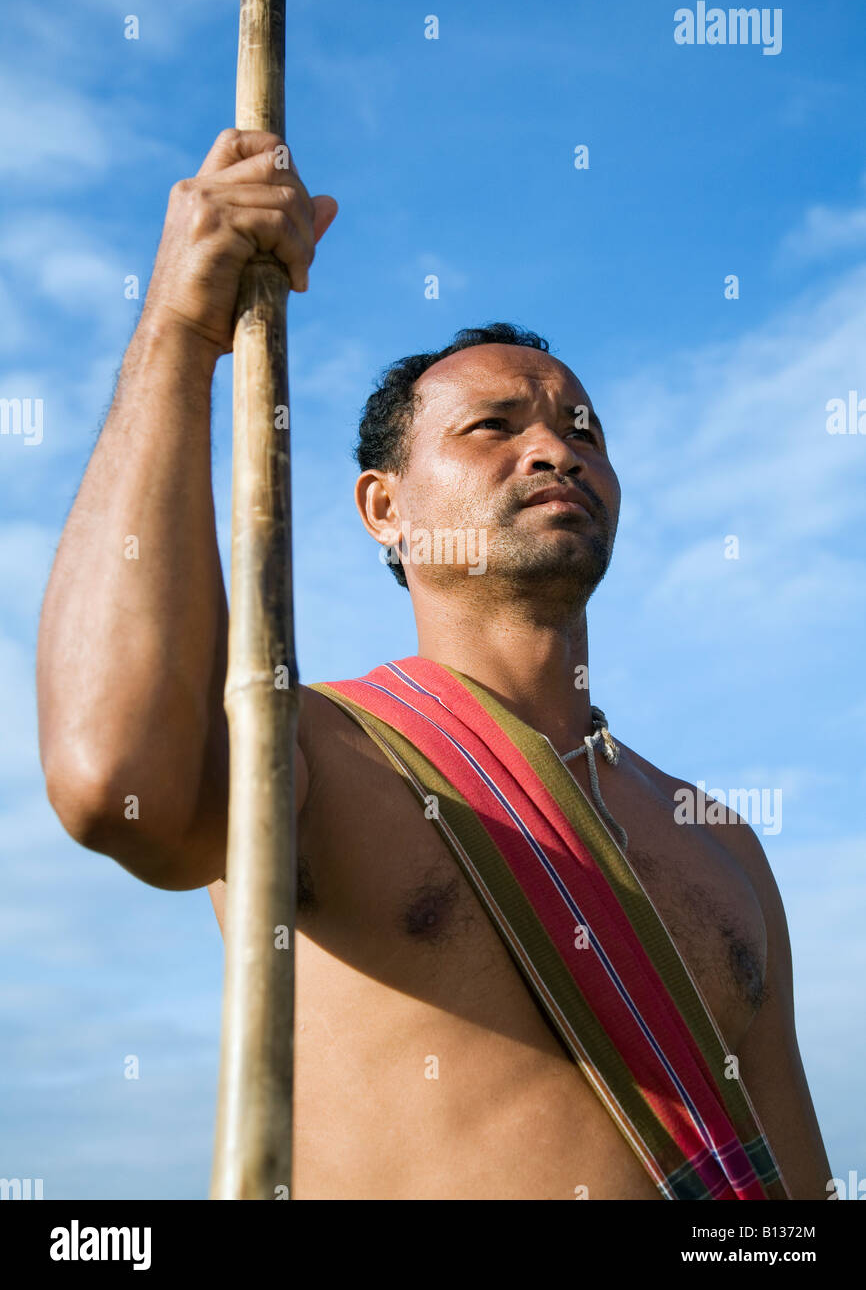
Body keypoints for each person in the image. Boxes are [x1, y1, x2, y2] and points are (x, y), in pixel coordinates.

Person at [36, 129, 831, 1200]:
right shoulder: (300, 750)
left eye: (581, 430)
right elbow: (111, 783)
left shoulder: (716, 836)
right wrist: (179, 327)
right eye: (491, 426)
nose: (554, 449)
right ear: (384, 508)